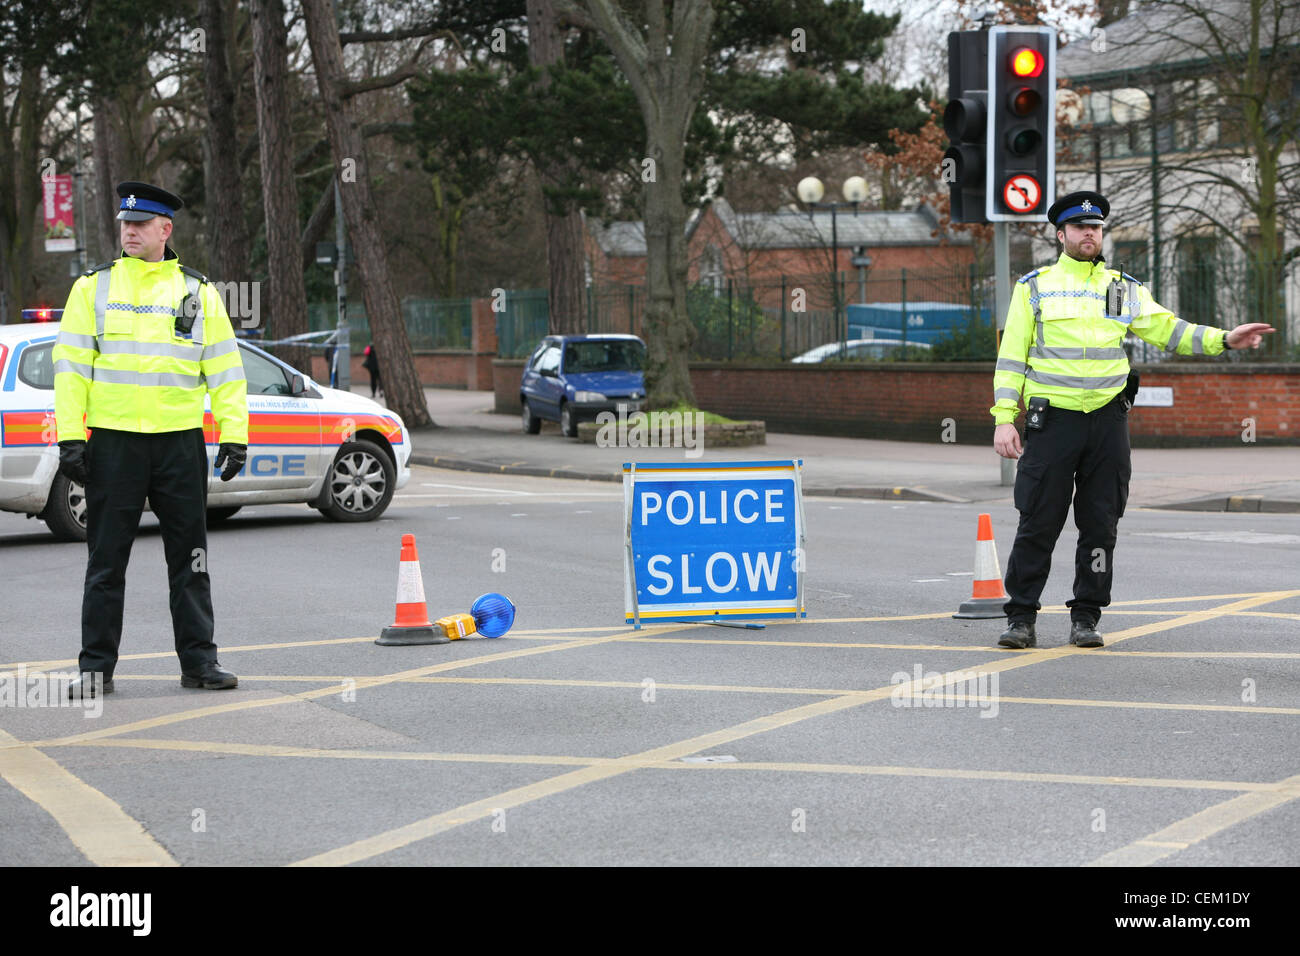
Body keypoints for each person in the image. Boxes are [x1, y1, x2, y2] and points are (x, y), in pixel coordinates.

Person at [991, 190, 1273, 650]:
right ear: (1061, 234)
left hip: (1107, 422)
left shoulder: (1120, 288)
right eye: (1081, 228)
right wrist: (1005, 419)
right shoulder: (1035, 287)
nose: (1090, 234)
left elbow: (1170, 330)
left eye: (1097, 227)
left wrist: (1226, 338)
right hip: (1053, 423)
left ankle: (1086, 616)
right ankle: (1021, 617)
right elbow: (1010, 360)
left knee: (1101, 525)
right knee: (1038, 521)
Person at [54, 181, 249, 698]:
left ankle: (200, 664)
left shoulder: (198, 291)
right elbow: (70, 371)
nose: (130, 231)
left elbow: (226, 371)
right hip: (114, 444)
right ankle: (95, 670)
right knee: (105, 563)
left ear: (166, 229)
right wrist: (71, 437)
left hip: (179, 445)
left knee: (190, 561)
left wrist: (234, 435)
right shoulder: (91, 289)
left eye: (140, 225)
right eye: (125, 224)